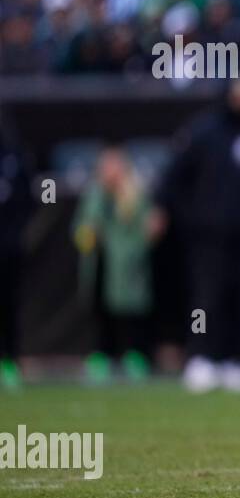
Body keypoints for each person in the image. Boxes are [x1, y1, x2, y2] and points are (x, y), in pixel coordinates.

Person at [155, 81, 240, 392]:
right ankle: (201, 358)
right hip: (207, 236)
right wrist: (184, 217)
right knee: (207, 299)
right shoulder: (203, 131)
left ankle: (236, 360)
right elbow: (173, 178)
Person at [72, 145, 157, 382]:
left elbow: (146, 229)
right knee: (101, 310)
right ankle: (102, 355)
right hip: (100, 262)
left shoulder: (134, 194)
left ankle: (134, 355)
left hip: (128, 264)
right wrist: (88, 235)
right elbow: (82, 228)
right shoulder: (95, 195)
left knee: (129, 310)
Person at [0, 110, 34, 391]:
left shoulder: (15, 157)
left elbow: (30, 200)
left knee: (9, 303)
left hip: (9, 245)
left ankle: (10, 359)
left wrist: (17, 234)